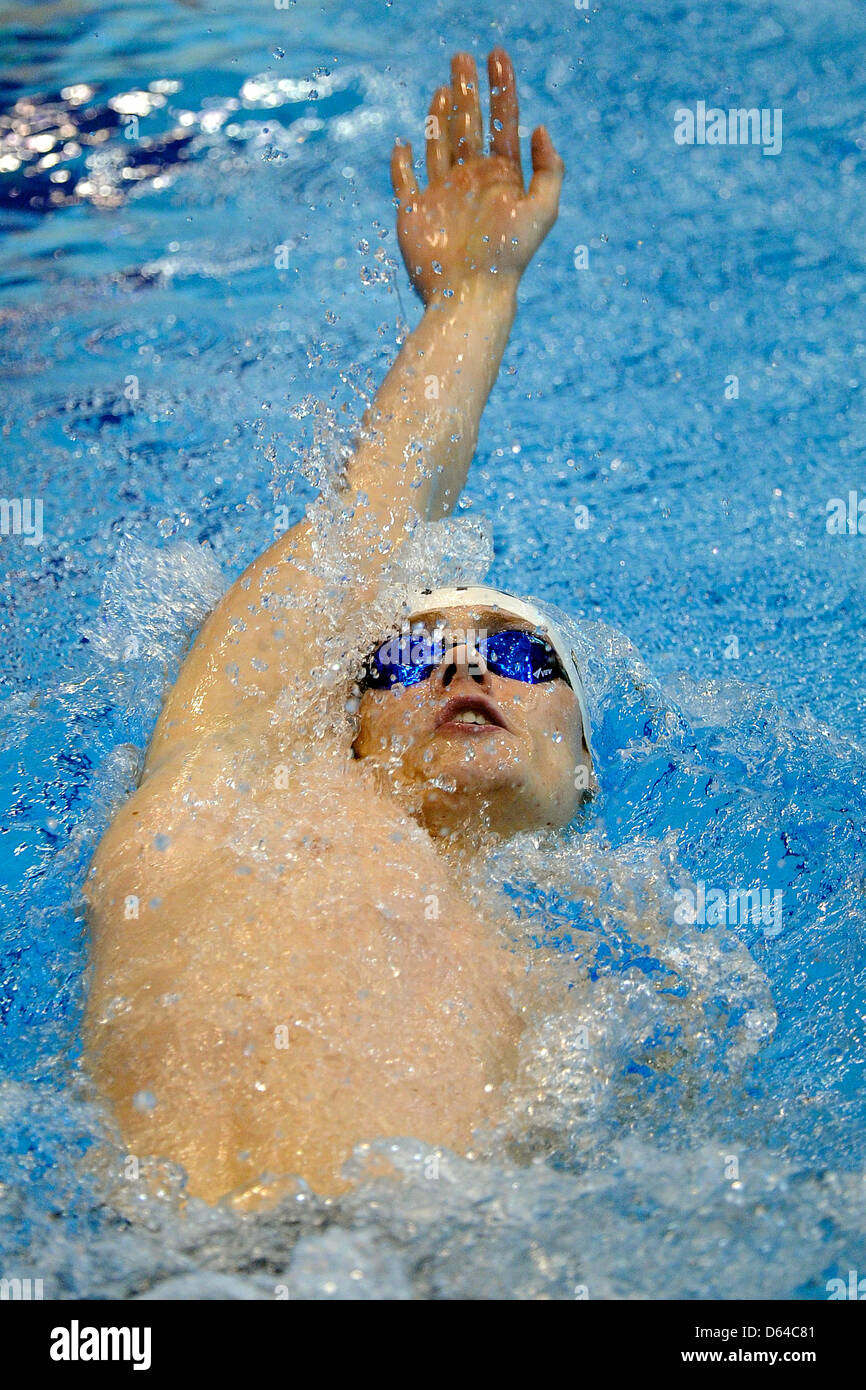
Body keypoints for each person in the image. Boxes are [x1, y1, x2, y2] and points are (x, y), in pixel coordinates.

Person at [84, 48, 595, 1202]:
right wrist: (475, 296)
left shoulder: (578, 1000)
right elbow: (374, 511)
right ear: (339, 720)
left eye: (518, 653)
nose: (465, 660)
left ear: (581, 773)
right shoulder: (237, 793)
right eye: (407, 654)